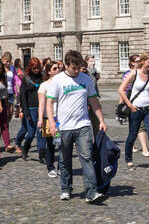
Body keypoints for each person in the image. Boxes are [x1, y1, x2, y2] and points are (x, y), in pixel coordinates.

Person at [43, 51, 107, 203]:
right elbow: (49, 102)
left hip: (83, 125)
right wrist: (52, 123)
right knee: (64, 159)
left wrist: (101, 120)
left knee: (87, 157)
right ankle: (66, 188)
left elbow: (93, 100)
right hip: (62, 126)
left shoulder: (86, 79)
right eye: (74, 68)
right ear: (66, 65)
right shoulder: (58, 80)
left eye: (79, 67)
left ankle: (91, 192)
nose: (77, 71)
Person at [118, 53, 149, 174]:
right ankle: (128, 159)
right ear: (143, 61)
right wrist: (130, 106)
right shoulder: (134, 73)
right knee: (132, 135)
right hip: (136, 109)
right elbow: (121, 90)